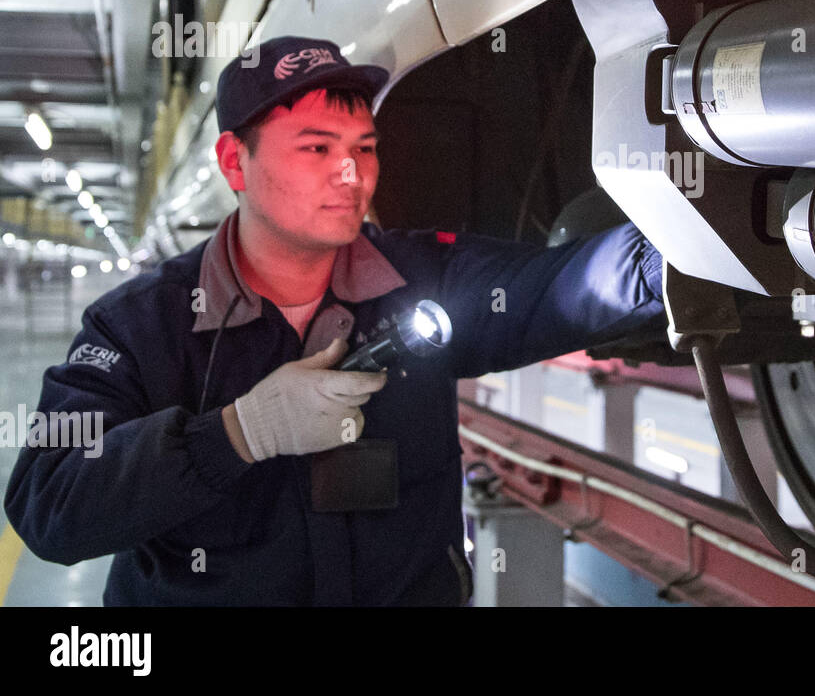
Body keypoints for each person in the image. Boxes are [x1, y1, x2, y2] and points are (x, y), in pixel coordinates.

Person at [3, 36, 665, 605]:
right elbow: (48, 503)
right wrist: (237, 434)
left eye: (364, 146)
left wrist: (680, 252)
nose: (351, 174)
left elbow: (558, 289)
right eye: (316, 149)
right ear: (236, 162)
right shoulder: (142, 325)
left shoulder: (421, 276)